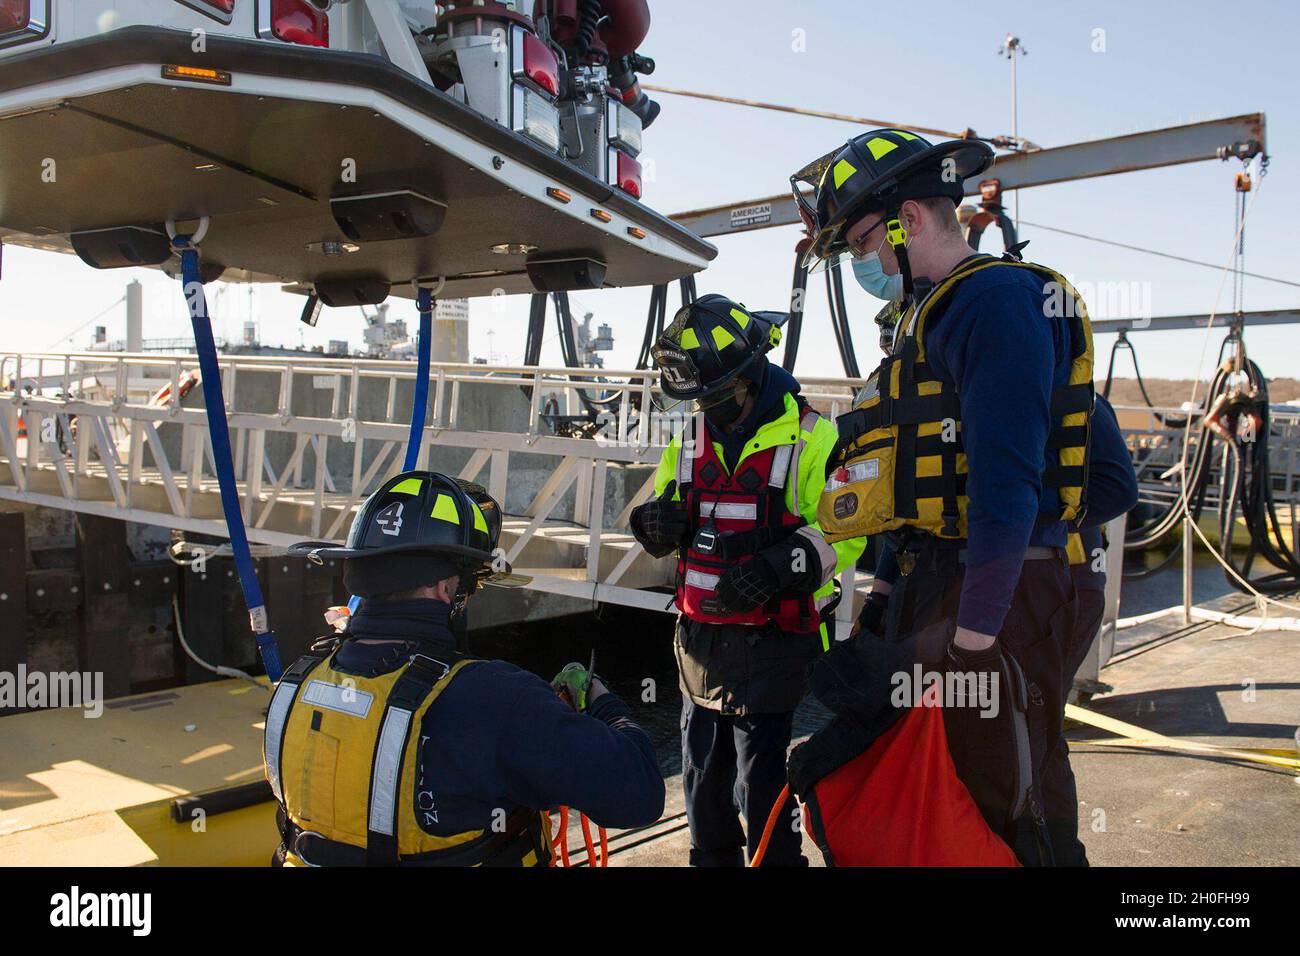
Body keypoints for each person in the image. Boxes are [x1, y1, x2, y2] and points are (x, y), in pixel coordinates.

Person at [798, 127, 1129, 863]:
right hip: (940, 581)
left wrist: (975, 637)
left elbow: (1006, 482)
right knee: (935, 787)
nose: (862, 265)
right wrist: (885, 597)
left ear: (908, 219)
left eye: (859, 245)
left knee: (1006, 798)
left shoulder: (998, 303)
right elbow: (912, 485)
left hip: (1002, 599)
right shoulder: (924, 319)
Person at [265, 470, 664, 866]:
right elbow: (639, 795)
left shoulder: (297, 683)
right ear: (444, 587)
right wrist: (601, 699)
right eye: (469, 585)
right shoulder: (498, 698)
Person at [629, 294, 864, 866]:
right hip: (699, 646)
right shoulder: (690, 436)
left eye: (713, 394)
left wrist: (777, 568)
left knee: (763, 797)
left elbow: (847, 531)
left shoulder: (814, 440)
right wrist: (653, 523)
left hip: (773, 648)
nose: (704, 407)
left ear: (748, 377)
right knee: (704, 794)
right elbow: (664, 500)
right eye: (697, 397)